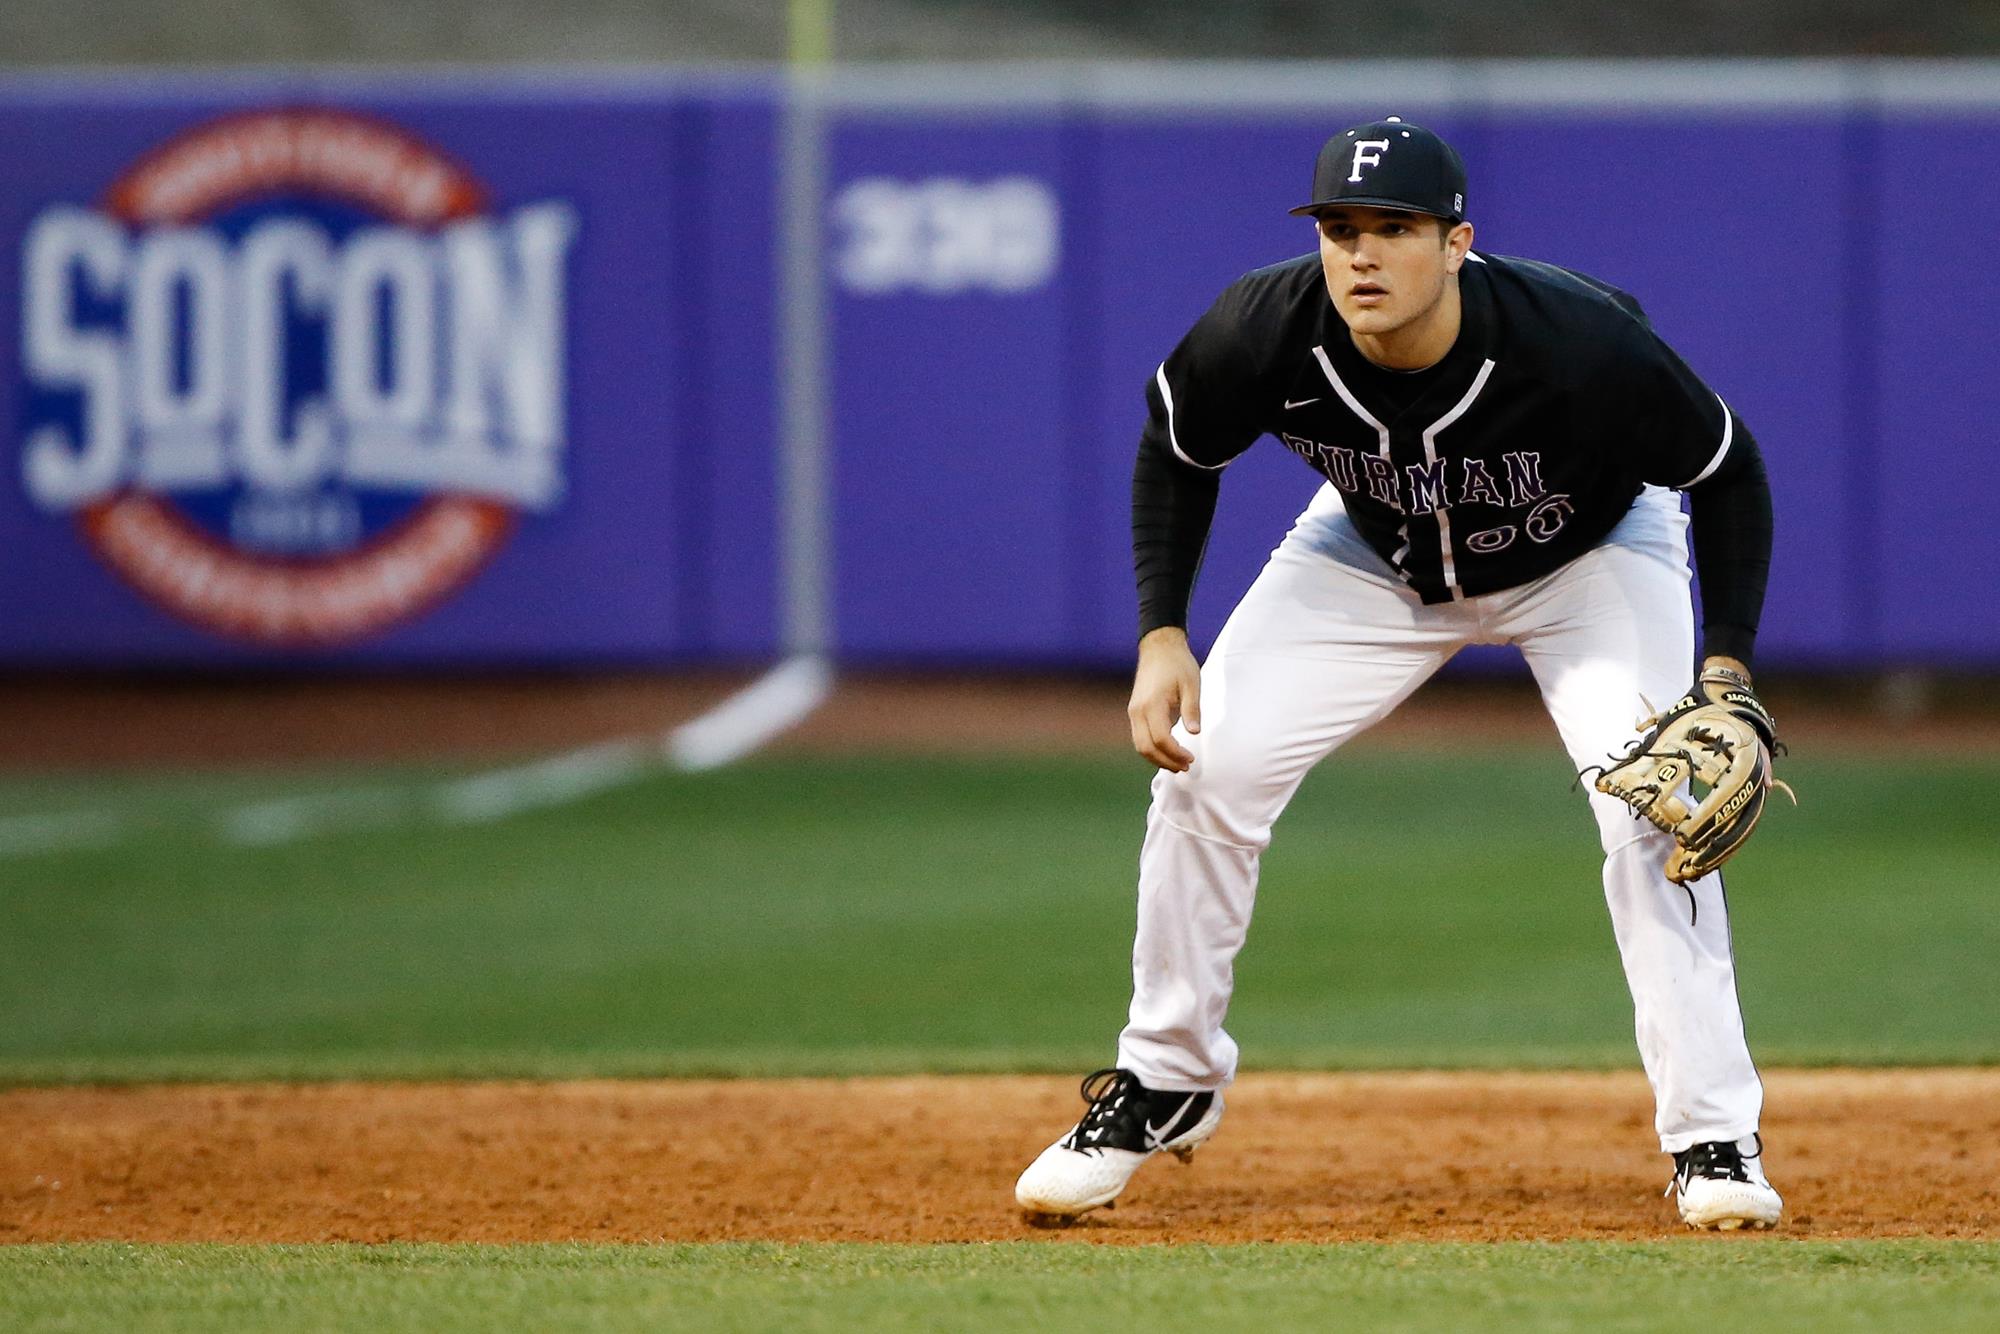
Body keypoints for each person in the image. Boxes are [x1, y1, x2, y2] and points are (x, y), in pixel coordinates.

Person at [1014, 117, 1783, 1231]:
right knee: (1205, 767)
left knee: (1651, 809)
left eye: (1392, 228)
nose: (1359, 254)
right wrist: (1159, 634)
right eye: (1338, 228)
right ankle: (1166, 1079)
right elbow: (1176, 449)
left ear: (1456, 241)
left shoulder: (1577, 341)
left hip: (1591, 556)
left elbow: (1726, 467)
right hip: (1368, 554)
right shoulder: (1262, 328)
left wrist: (1724, 664)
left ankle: (1711, 1134)